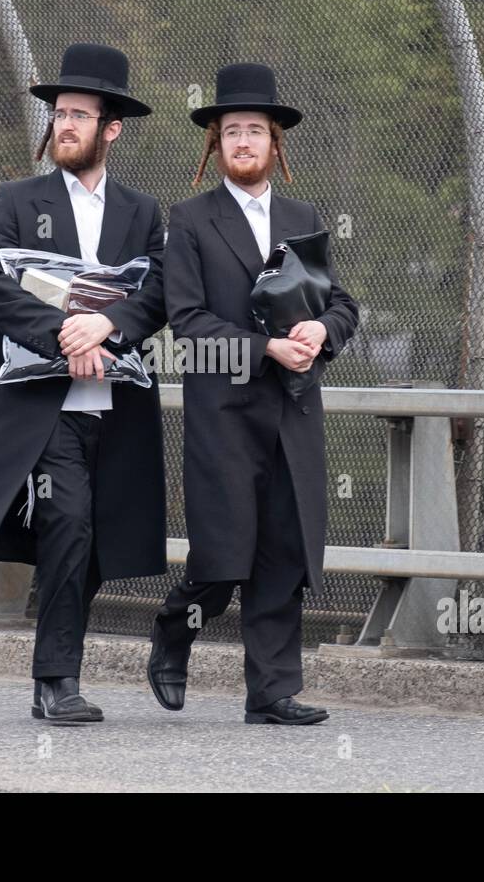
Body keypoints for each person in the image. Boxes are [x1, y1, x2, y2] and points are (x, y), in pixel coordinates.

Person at [148, 63, 359, 724]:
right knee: (222, 557)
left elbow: (343, 303)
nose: (244, 141)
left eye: (256, 131)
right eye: (232, 131)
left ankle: (271, 691)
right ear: (215, 145)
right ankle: (173, 632)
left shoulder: (301, 217)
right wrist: (265, 345)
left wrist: (318, 330)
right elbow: (186, 321)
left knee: (282, 554)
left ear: (276, 145)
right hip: (224, 417)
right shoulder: (190, 220)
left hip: (292, 413)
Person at [0, 44, 168, 724]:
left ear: (112, 128)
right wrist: (62, 335)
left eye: (80, 115)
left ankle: (54, 670)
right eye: (59, 114)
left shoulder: (142, 212)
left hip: (116, 406)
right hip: (41, 407)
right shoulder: (18, 200)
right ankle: (57, 680)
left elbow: (161, 291)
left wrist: (104, 329)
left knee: (99, 541)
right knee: (68, 524)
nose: (64, 126)